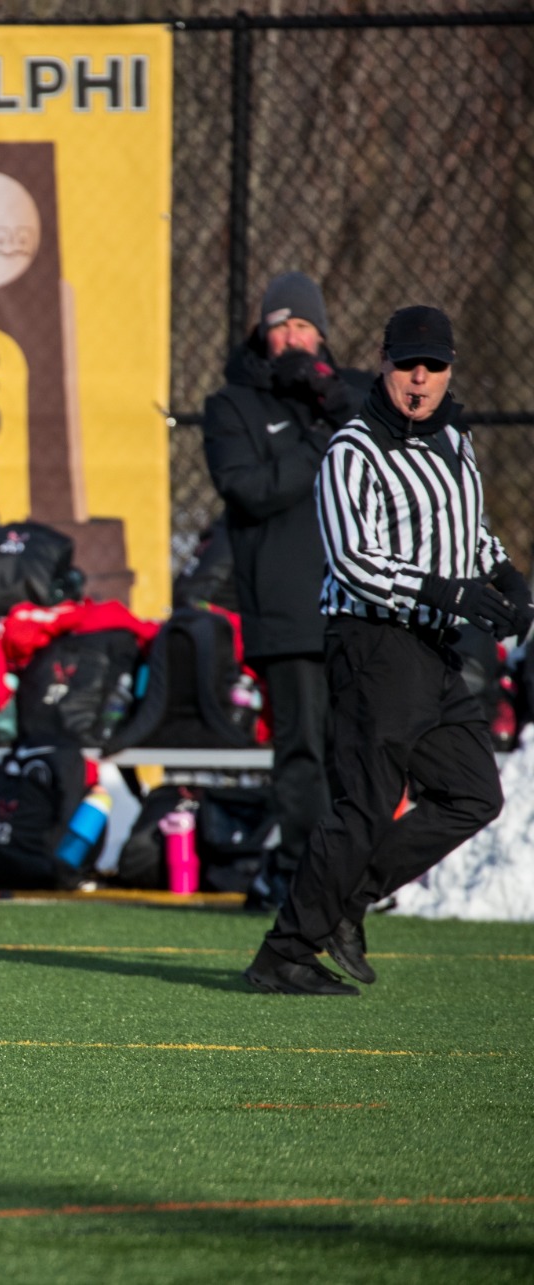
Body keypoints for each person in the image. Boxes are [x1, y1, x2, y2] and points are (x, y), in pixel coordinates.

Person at [246, 306, 529, 995]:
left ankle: (349, 897)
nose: (420, 378)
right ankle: (284, 951)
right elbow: (353, 562)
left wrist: (501, 572)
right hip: (373, 639)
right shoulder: (354, 448)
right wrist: (447, 592)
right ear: (383, 363)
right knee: (366, 802)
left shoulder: (454, 439)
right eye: (408, 364)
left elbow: (467, 528)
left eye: (433, 366)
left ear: (450, 368)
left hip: (430, 645)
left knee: (473, 791)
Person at [202, 272, 370, 910]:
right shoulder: (232, 406)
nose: (294, 337)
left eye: (304, 325)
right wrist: (323, 445)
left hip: (364, 602)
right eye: (281, 326)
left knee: (358, 748)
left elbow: (394, 456)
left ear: (322, 334)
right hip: (286, 605)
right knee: (302, 748)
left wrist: (337, 408)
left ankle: (353, 872)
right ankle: (305, 876)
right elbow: (248, 489)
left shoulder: (352, 394)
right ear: (262, 334)